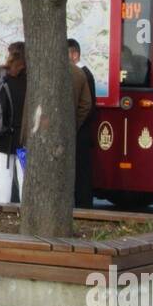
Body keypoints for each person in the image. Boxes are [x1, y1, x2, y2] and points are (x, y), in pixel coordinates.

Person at [0, 42, 27, 204]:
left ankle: (2, 212)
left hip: (2, 136)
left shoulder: (2, 77)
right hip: (25, 138)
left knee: (3, 179)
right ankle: (27, 214)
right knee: (25, 178)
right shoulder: (33, 79)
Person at [69, 39, 97, 208]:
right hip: (80, 131)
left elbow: (87, 106)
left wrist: (73, 125)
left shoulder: (82, 74)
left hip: (80, 132)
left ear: (75, 55)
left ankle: (83, 206)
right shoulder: (83, 73)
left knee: (81, 172)